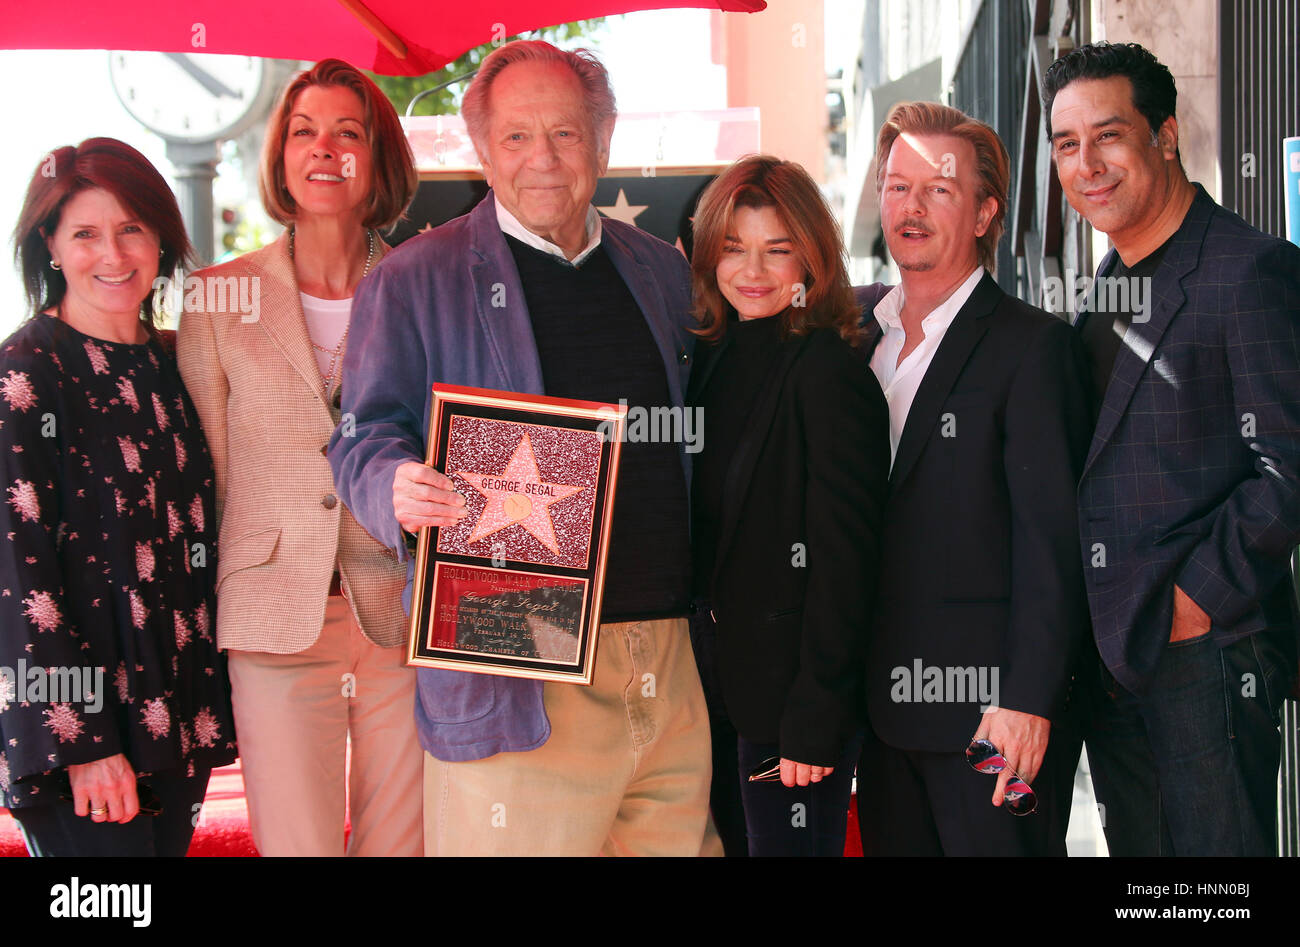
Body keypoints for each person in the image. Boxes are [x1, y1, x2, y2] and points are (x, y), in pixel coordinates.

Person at [329, 39, 719, 857]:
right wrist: (394, 483)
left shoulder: (662, 270)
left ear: (603, 142)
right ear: (481, 148)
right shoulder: (413, 278)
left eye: (566, 134)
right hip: (517, 654)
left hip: (669, 658)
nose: (542, 158)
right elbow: (362, 433)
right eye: (515, 136)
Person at [1044, 41, 1300, 856]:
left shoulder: (1247, 270)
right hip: (1119, 666)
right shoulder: (1104, 286)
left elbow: (1289, 469)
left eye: (1108, 135)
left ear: (1165, 134)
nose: (1087, 164)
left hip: (1209, 658)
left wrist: (1192, 602)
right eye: (1065, 144)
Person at [177, 59, 422, 857]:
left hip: (399, 610)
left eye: (348, 133)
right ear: (281, 156)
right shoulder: (215, 297)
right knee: (298, 847)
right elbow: (210, 471)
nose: (325, 149)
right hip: (273, 614)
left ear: (377, 158)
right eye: (304, 132)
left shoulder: (427, 285)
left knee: (401, 845)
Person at [855, 102, 1093, 856]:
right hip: (879, 722)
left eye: (940, 189)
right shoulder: (854, 336)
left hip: (992, 727)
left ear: (988, 211)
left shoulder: (1033, 349)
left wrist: (1027, 700)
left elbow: (1052, 543)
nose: (911, 208)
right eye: (897, 187)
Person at [0, 138, 236, 856]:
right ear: (49, 244)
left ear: (160, 237)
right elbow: (15, 576)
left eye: (131, 227)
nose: (113, 252)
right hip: (82, 735)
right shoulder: (25, 373)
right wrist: (84, 741)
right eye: (86, 233)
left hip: (180, 714)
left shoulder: (180, 360)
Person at [685, 155, 888, 856]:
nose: (754, 270)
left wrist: (817, 714)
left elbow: (848, 561)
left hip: (791, 711)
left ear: (812, 256)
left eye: (779, 249)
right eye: (734, 247)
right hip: (709, 695)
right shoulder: (706, 358)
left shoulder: (829, 370)